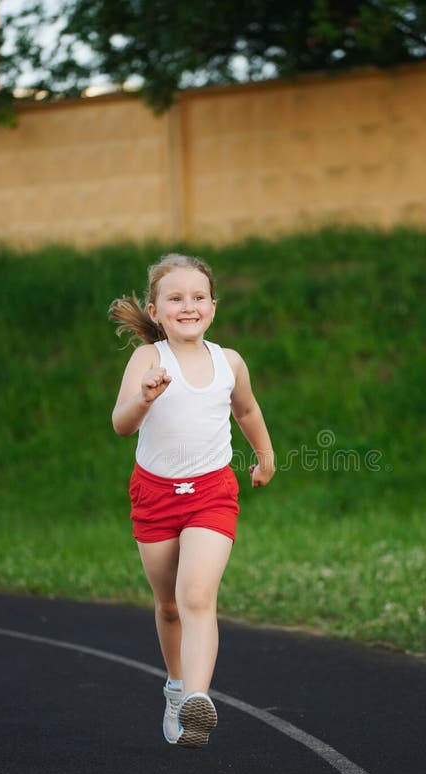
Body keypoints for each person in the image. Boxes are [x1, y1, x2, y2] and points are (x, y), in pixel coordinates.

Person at [109, 253, 275, 748]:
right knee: (168, 606)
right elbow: (122, 424)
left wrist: (264, 457)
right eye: (176, 298)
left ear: (213, 306)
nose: (188, 306)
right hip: (155, 495)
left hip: (211, 494)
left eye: (198, 297)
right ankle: (177, 687)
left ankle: (198, 702)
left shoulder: (229, 362)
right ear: (156, 311)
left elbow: (245, 409)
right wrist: (144, 397)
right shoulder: (147, 360)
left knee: (197, 596)